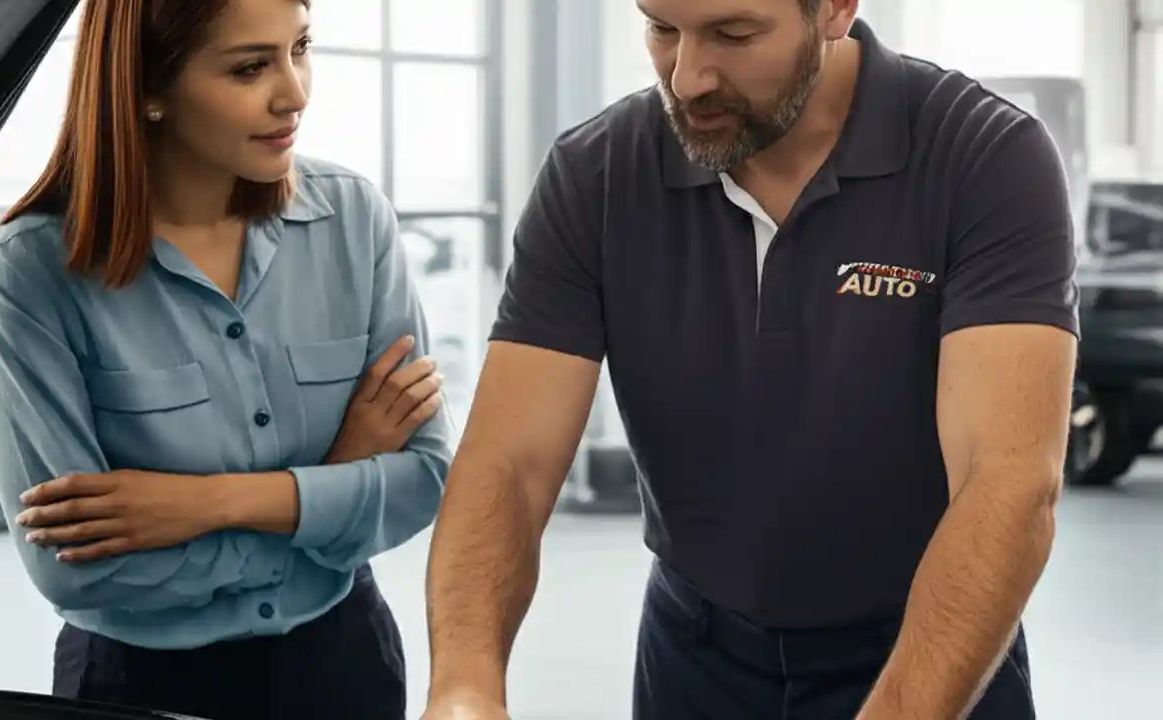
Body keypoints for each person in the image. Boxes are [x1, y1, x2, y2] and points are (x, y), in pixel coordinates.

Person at [422, 1, 1077, 718]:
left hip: (934, 648)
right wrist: (463, 686)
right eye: (661, 29)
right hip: (697, 655)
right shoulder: (597, 173)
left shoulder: (986, 157)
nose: (687, 78)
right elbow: (509, 464)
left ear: (834, 9)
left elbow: (1006, 482)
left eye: (732, 34)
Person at [0, 0, 452, 718]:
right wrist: (330, 492)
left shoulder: (355, 220)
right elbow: (74, 571)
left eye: (300, 49)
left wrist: (203, 505)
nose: (294, 94)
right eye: (250, 68)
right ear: (148, 87)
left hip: (345, 661)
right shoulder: (32, 271)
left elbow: (424, 477)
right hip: (137, 686)